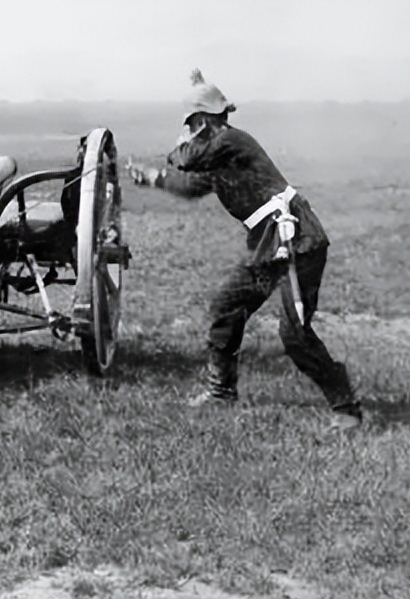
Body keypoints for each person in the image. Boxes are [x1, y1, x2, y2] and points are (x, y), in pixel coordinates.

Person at [125, 69, 363, 430]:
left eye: (193, 123)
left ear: (202, 121)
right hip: (268, 247)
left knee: (295, 334)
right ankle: (221, 392)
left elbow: (186, 158)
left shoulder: (231, 142)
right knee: (226, 308)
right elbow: (191, 185)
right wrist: (151, 177)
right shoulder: (221, 154)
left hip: (297, 242)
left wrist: (181, 141)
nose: (191, 130)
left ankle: (346, 409)